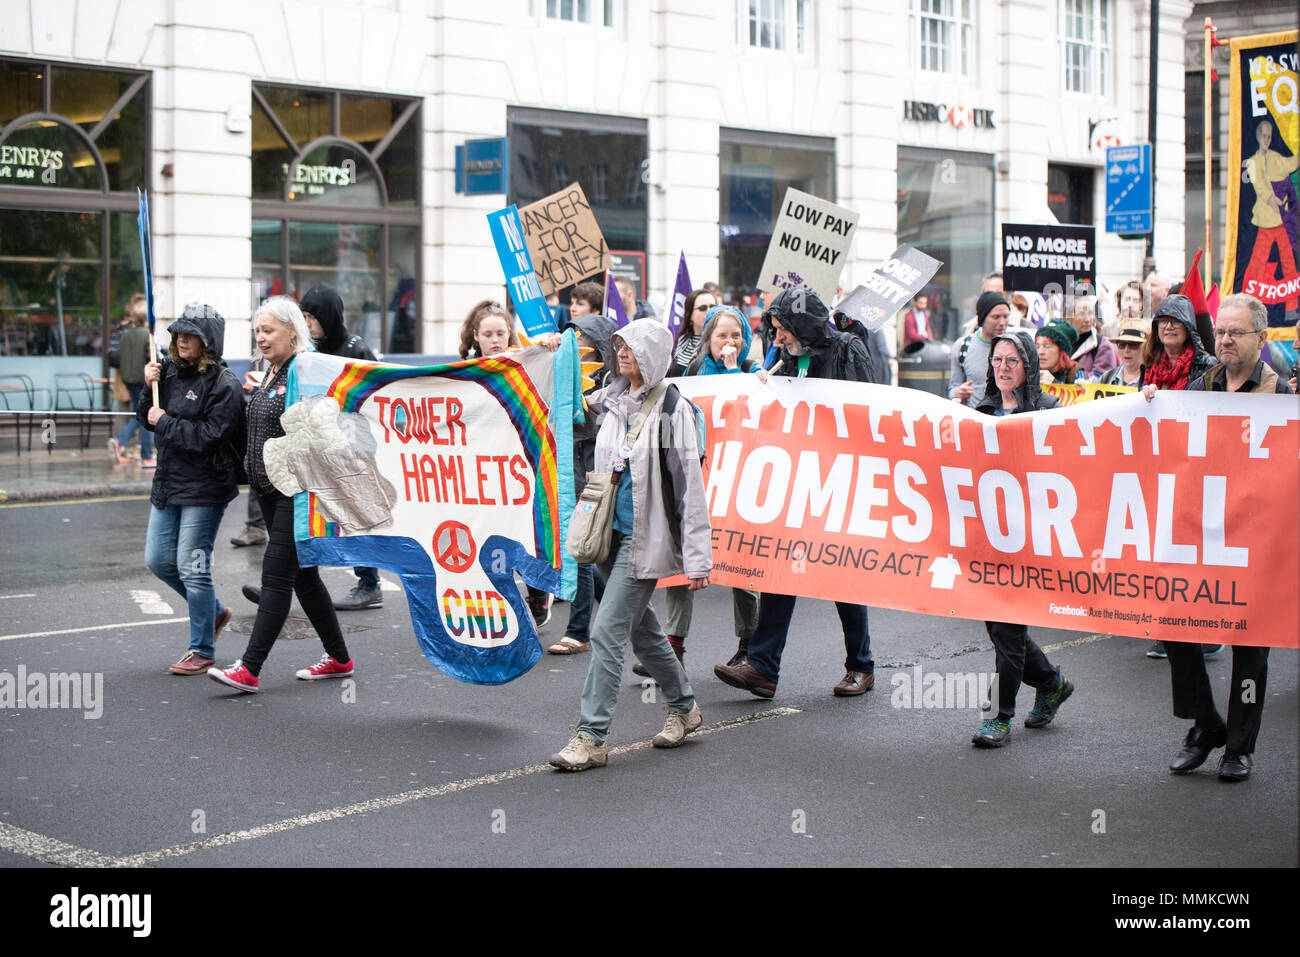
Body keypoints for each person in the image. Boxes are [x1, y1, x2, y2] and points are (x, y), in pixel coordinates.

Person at [548, 318, 711, 771]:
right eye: (619, 346)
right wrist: (554, 355)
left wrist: (698, 558)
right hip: (604, 536)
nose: (622, 354)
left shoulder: (672, 409)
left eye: (633, 349)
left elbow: (689, 487)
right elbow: (561, 412)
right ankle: (684, 707)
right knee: (644, 632)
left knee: (606, 632)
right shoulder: (609, 400)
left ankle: (591, 736)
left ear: (654, 356)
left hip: (642, 541)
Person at [712, 287, 876, 700]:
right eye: (776, 329)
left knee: (842, 575)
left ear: (804, 326)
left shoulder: (846, 349)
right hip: (796, 479)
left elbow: (864, 412)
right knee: (780, 565)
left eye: (785, 329)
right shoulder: (784, 356)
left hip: (836, 477)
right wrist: (763, 388)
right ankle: (764, 668)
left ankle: (861, 665)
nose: (779, 337)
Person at [1161, 296, 1289, 781]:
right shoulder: (1202, 386)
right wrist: (1152, 406)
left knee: (1250, 646)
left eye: (1237, 332)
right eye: (1221, 333)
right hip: (1205, 532)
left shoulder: (1282, 396)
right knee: (1174, 624)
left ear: (1262, 338)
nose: (1227, 340)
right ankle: (1205, 722)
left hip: (1258, 539)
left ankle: (1238, 746)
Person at [209, 297, 355, 693]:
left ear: (293, 331)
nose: (261, 337)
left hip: (297, 494)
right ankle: (339, 658)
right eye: (258, 330)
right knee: (305, 579)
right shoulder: (272, 370)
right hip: (270, 493)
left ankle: (249, 669)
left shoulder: (306, 370)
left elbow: (324, 430)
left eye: (269, 330)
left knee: (275, 580)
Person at [631, 305, 760, 676]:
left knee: (741, 561)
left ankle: (749, 645)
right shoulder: (689, 375)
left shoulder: (754, 373)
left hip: (738, 480)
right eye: (722, 335)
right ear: (708, 340)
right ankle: (673, 646)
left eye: (736, 335)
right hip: (700, 476)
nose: (729, 342)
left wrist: (735, 372)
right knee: (683, 553)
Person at [241, 284, 384, 610]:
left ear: (329, 317)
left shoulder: (354, 348)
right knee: (303, 525)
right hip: (311, 455)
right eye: (303, 316)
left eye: (312, 317)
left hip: (348, 449)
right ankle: (282, 583)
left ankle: (369, 582)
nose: (308, 323)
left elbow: (373, 393)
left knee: (353, 519)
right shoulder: (301, 356)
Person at [970, 329, 1073, 746]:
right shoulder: (983, 408)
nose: (1003, 368)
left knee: (1008, 633)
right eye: (997, 361)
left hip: (1030, 538)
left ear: (1028, 366)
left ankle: (998, 717)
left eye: (1012, 361)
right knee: (998, 629)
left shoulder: (1048, 409)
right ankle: (1051, 683)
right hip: (989, 538)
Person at [139, 304, 242, 676]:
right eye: (178, 333)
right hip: (168, 483)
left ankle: (202, 649)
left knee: (192, 568)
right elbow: (147, 418)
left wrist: (164, 420)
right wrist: (145, 384)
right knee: (158, 561)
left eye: (190, 334)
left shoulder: (224, 384)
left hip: (205, 486)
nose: (181, 339)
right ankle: (213, 611)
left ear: (207, 342)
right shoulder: (167, 372)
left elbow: (208, 438)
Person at [457, 298, 553, 627]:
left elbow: (554, 371)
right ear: (476, 336)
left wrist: (552, 346)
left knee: (522, 533)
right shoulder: (462, 372)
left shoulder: (525, 363)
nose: (495, 340)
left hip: (519, 465)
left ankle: (538, 594)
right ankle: (502, 604)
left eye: (501, 332)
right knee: (490, 536)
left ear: (510, 334)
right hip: (482, 467)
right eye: (488, 334)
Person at [1137, 293, 1218, 661]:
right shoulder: (1149, 366)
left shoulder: (1206, 365)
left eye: (1175, 320)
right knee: (1163, 549)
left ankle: (1203, 627)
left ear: (1189, 328)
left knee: (1191, 551)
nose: (1168, 326)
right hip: (1157, 467)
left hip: (1194, 467)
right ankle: (1173, 629)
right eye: (1162, 320)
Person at [547, 311, 617, 656]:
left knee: (581, 552)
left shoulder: (612, 386)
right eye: (570, 338)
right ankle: (624, 615)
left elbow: (589, 425)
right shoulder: (561, 370)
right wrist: (550, 354)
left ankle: (578, 631)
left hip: (594, 478)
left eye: (582, 340)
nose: (575, 345)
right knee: (586, 555)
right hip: (568, 475)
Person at [1243, 119, 1299, 314]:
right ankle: (1248, 307)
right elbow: (1259, 186)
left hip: (1280, 222)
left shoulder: (1275, 157)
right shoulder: (1252, 162)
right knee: (1257, 263)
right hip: (1264, 222)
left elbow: (1290, 164)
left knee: (1289, 262)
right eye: (1264, 136)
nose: (1267, 140)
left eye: (1269, 137)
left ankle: (1292, 307)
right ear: (1258, 137)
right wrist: (1271, 199)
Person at [108, 297, 156, 467]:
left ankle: (122, 442)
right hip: (143, 381)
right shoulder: (146, 335)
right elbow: (153, 358)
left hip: (129, 381)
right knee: (147, 416)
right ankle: (146, 454)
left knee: (140, 415)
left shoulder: (126, 335)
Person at [949, 291, 1010, 409]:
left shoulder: (1016, 345)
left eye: (1006, 316)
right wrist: (958, 392)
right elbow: (952, 389)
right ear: (982, 318)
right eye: (996, 317)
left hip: (1006, 421)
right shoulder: (962, 346)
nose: (1002, 323)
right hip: (974, 421)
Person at [667, 288, 717, 377]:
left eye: (713, 307)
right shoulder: (681, 340)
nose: (709, 311)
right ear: (689, 314)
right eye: (703, 308)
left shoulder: (719, 342)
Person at [1067, 295, 1117, 382]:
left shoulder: (1102, 345)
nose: (1087, 319)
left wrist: (1074, 375)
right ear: (1069, 318)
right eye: (1082, 314)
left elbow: (1104, 380)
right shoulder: (1062, 343)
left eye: (1090, 313)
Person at [1100, 318, 1146, 388]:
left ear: (1145, 348)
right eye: (1122, 345)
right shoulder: (1107, 377)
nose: (1126, 350)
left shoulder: (1153, 379)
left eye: (1133, 345)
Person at [1035, 319, 1080, 384]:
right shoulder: (1029, 372)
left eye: (1047, 346)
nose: (1040, 352)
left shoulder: (1075, 373)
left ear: (1062, 351)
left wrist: (1054, 383)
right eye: (1037, 346)